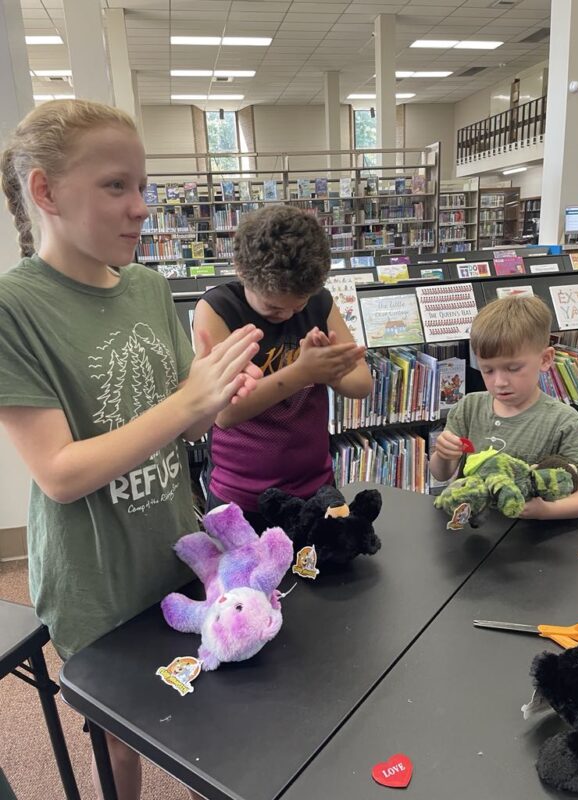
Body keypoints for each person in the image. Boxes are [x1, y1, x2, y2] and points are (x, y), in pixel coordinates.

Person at [0, 98, 263, 800]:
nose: (142, 207)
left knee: (208, 701)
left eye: (142, 186)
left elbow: (187, 426)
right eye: (116, 186)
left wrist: (221, 396)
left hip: (175, 548)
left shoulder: (148, 287)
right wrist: (188, 402)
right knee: (122, 739)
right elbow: (57, 473)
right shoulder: (14, 308)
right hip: (97, 579)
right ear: (45, 192)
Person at [194, 204, 373, 531]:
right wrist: (304, 372)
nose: (289, 316)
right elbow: (224, 413)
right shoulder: (218, 308)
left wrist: (330, 368)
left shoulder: (321, 301)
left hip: (315, 489)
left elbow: (361, 383)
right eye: (274, 308)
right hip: (241, 497)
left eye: (299, 305)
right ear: (240, 271)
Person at [430, 295, 578, 520]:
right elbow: (441, 474)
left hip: (532, 536)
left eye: (513, 368)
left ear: (545, 359)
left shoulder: (564, 422)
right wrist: (443, 454)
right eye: (488, 370)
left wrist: (543, 511)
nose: (499, 382)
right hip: (473, 531)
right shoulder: (469, 407)